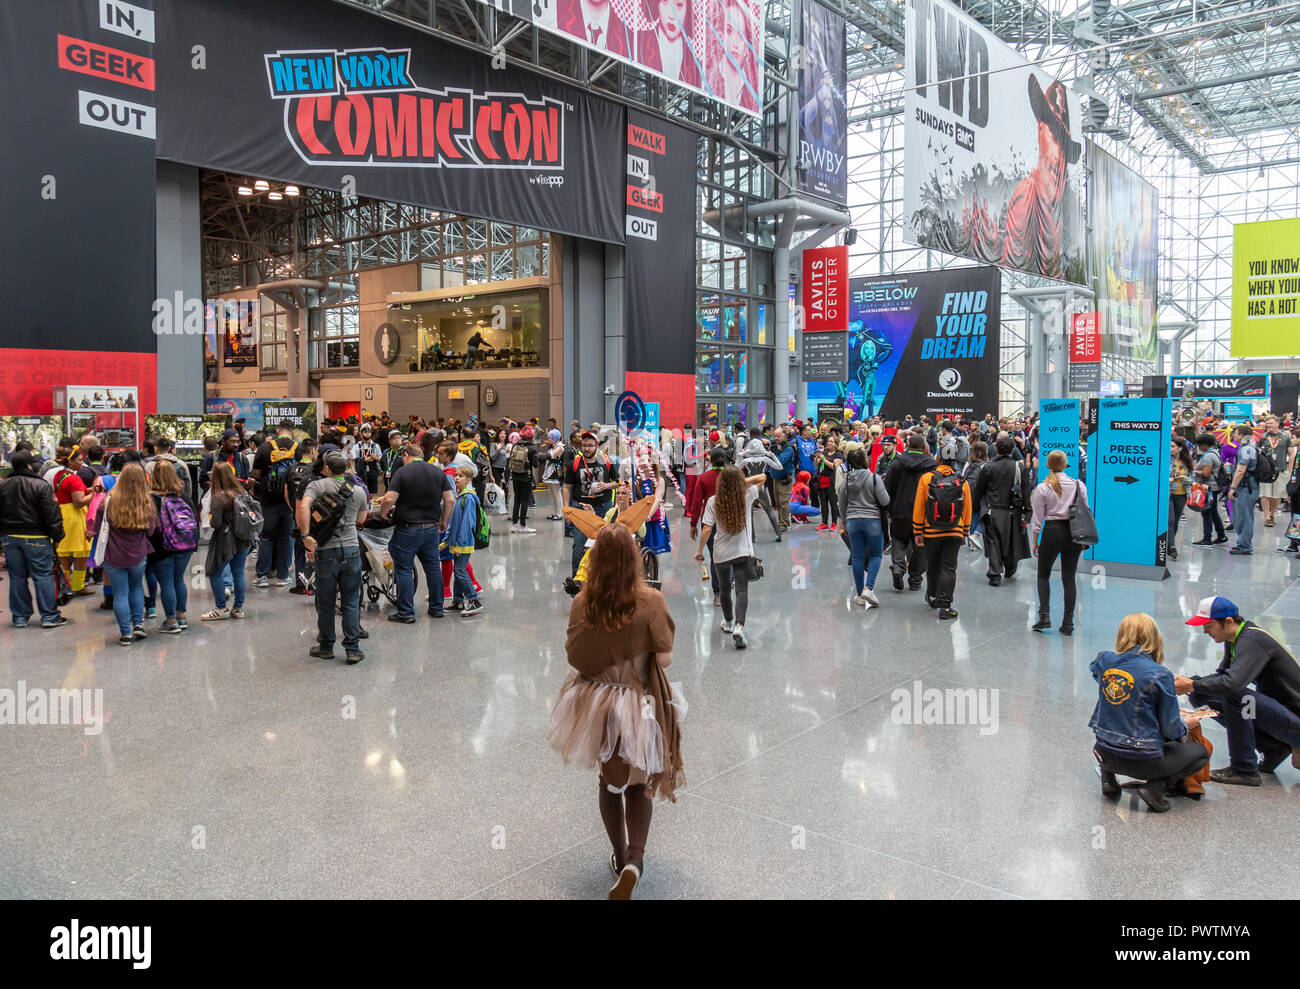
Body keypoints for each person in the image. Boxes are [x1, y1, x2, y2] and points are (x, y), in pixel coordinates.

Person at [546, 524, 683, 899]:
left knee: (610, 780)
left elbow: (575, 656)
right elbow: (666, 659)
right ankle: (635, 861)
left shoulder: (582, 602)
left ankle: (618, 854)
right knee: (639, 783)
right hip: (639, 703)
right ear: (634, 559)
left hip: (597, 703)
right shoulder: (650, 601)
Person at [1089, 613, 1211, 813]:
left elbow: (1099, 674)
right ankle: (1155, 788)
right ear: (1154, 638)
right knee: (1200, 753)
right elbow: (1172, 730)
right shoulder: (1160, 674)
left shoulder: (1105, 660)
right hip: (1143, 763)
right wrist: (1186, 724)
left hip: (1104, 752)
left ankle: (1109, 778)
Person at [1178, 596, 1300, 785]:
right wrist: (1192, 683)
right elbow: (1222, 675)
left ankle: (1244, 769)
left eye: (1208, 626)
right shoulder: (1235, 638)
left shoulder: (1252, 639)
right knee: (1201, 694)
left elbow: (1232, 684)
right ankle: (1272, 747)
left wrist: (1192, 684)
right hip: (1282, 715)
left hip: (1294, 721)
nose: (1204, 631)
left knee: (1234, 694)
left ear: (1227, 622)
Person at [299, 450, 369, 662]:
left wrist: (306, 536)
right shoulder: (357, 491)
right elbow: (362, 519)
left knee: (326, 602)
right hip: (351, 549)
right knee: (350, 600)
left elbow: (303, 507)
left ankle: (326, 646)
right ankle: (353, 649)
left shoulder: (317, 486)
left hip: (326, 551)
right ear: (346, 468)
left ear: (327, 468)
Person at [380, 443, 455, 623]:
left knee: (404, 569)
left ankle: (406, 612)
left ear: (406, 454)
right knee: (433, 568)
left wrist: (383, 513)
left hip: (407, 529)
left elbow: (389, 498)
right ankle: (437, 608)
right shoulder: (438, 472)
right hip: (431, 528)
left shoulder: (403, 473)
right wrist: (443, 521)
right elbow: (450, 500)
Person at [694, 465, 766, 649]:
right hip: (742, 552)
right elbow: (762, 477)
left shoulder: (712, 501)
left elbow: (708, 528)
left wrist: (700, 550)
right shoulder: (747, 495)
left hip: (721, 553)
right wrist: (740, 483)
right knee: (742, 590)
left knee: (725, 589)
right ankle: (740, 627)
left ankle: (728, 621)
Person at [0, 451, 67, 628]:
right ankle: (49, 616)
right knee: (43, 575)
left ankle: (20, 617)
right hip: (37, 536)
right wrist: (58, 535)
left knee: (17, 577)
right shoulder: (41, 485)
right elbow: (51, 514)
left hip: (10, 537)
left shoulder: (3, 486)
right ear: (29, 466)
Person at [1030, 450, 1088, 636]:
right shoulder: (1078, 485)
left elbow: (1038, 519)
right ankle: (1068, 622)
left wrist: (1035, 541)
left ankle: (1044, 616)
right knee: (1069, 576)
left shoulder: (1043, 488)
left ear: (1048, 465)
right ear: (1066, 465)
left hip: (1052, 531)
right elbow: (1085, 510)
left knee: (1043, 574)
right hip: (1074, 532)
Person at [912, 439, 971, 620]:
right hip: (954, 530)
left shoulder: (926, 479)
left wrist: (917, 531)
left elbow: (919, 507)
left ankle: (932, 596)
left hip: (931, 531)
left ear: (938, 457)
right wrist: (965, 531)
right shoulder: (962, 481)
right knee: (949, 567)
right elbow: (967, 508)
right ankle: (945, 607)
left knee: (933, 564)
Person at [100, 462, 157, 647]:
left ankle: (125, 633)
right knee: (137, 588)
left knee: (120, 594)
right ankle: (138, 624)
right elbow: (150, 531)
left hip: (113, 554)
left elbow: (98, 527)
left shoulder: (109, 501)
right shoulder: (146, 502)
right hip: (138, 553)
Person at [972, 434, 1032, 586]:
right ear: (1013, 450)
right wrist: (1028, 513)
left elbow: (979, 491)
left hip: (992, 510)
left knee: (993, 541)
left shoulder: (988, 468)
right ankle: (1010, 568)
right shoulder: (1020, 467)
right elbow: (1026, 491)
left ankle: (995, 573)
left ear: (996, 450)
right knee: (1013, 540)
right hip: (1014, 511)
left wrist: (974, 509)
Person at [147, 460, 195, 634]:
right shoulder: (184, 496)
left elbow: (150, 526)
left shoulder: (152, 498)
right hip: (185, 545)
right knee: (178, 580)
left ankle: (171, 620)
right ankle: (181, 616)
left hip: (163, 547)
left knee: (166, 583)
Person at [202, 463, 254, 622]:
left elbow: (215, 524)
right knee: (238, 572)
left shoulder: (218, 497)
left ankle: (221, 608)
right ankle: (238, 608)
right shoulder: (242, 492)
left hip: (225, 540)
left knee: (215, 572)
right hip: (243, 537)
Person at [883, 432, 936, 592]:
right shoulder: (931, 465)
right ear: (923, 447)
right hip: (923, 514)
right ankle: (915, 578)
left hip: (899, 512)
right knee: (920, 547)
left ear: (907, 445)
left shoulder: (897, 462)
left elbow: (887, 488)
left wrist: (889, 509)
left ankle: (898, 569)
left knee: (898, 542)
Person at [839, 447, 890, 608]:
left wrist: (846, 521)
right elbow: (885, 501)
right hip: (873, 521)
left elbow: (842, 504)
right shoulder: (874, 478)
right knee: (876, 554)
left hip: (853, 522)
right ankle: (869, 588)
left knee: (857, 557)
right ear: (865, 460)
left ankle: (860, 594)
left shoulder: (846, 481)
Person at [252, 421, 298, 589]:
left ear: (278, 430)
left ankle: (262, 576)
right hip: (290, 503)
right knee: (286, 538)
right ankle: (283, 576)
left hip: (268, 500)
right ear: (292, 431)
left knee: (266, 537)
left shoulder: (265, 447)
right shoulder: (297, 448)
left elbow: (256, 472)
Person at [563, 432, 616, 576]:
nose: (587, 449)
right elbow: (566, 487)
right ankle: (577, 581)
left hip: (603, 508)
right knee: (579, 545)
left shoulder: (606, 461)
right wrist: (566, 509)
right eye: (584, 446)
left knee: (604, 544)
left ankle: (603, 578)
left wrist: (605, 486)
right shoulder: (574, 463)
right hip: (581, 509)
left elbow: (618, 482)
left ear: (597, 446)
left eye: (590, 446)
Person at [51, 448, 96, 598]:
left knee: (63, 554)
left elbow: (70, 493)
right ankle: (77, 586)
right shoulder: (74, 479)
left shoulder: (59, 475)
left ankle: (64, 586)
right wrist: (95, 494)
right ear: (71, 461)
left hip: (61, 515)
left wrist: (89, 490)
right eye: (79, 460)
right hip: (75, 518)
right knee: (81, 554)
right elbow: (79, 502)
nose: (82, 464)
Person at [443, 465, 483, 617]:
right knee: (458, 570)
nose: (456, 478)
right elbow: (453, 523)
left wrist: (460, 543)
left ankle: (473, 600)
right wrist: (445, 542)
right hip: (456, 543)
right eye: (456, 475)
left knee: (460, 571)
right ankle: (458, 601)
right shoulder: (459, 496)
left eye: (461, 476)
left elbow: (468, 523)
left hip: (463, 543)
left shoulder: (469, 498)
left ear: (469, 479)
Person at [1225, 423, 1260, 555]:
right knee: (1242, 516)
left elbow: (1241, 470)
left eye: (1235, 433)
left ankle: (1245, 546)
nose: (1233, 435)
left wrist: (1232, 487)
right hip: (1248, 486)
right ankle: (1242, 543)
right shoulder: (1251, 448)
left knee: (1244, 516)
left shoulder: (1246, 449)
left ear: (1241, 435)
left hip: (1245, 487)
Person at [1191, 433, 1228, 545]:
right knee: (1213, 512)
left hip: (1208, 487)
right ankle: (1221, 535)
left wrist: (1194, 471)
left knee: (1206, 512)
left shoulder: (1208, 456)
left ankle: (1207, 538)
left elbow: (1206, 473)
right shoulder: (1214, 453)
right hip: (1213, 487)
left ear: (1204, 445)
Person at [1259, 416, 1292, 528]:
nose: (1269, 425)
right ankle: (1267, 517)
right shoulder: (1263, 437)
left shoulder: (1286, 437)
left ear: (1277, 423)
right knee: (1264, 494)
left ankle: (1272, 514)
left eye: (1271, 423)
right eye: (1267, 423)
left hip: (1281, 469)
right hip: (1266, 471)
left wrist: (1290, 469)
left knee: (1277, 495)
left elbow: (1291, 453)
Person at [507, 429, 537, 533]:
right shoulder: (532, 448)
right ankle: (523, 525)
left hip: (515, 476)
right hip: (526, 476)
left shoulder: (515, 445)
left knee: (517, 500)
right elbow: (536, 464)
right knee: (525, 501)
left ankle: (514, 525)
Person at [1168, 440, 1193, 560]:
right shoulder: (1166, 460)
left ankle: (1169, 544)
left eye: (1173, 446)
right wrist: (1168, 480)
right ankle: (1172, 547)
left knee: (1176, 520)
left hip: (1182, 494)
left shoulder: (1187, 462)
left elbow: (1193, 480)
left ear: (1180, 448)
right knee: (1170, 520)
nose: (1170, 449)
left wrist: (1184, 478)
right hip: (1168, 494)